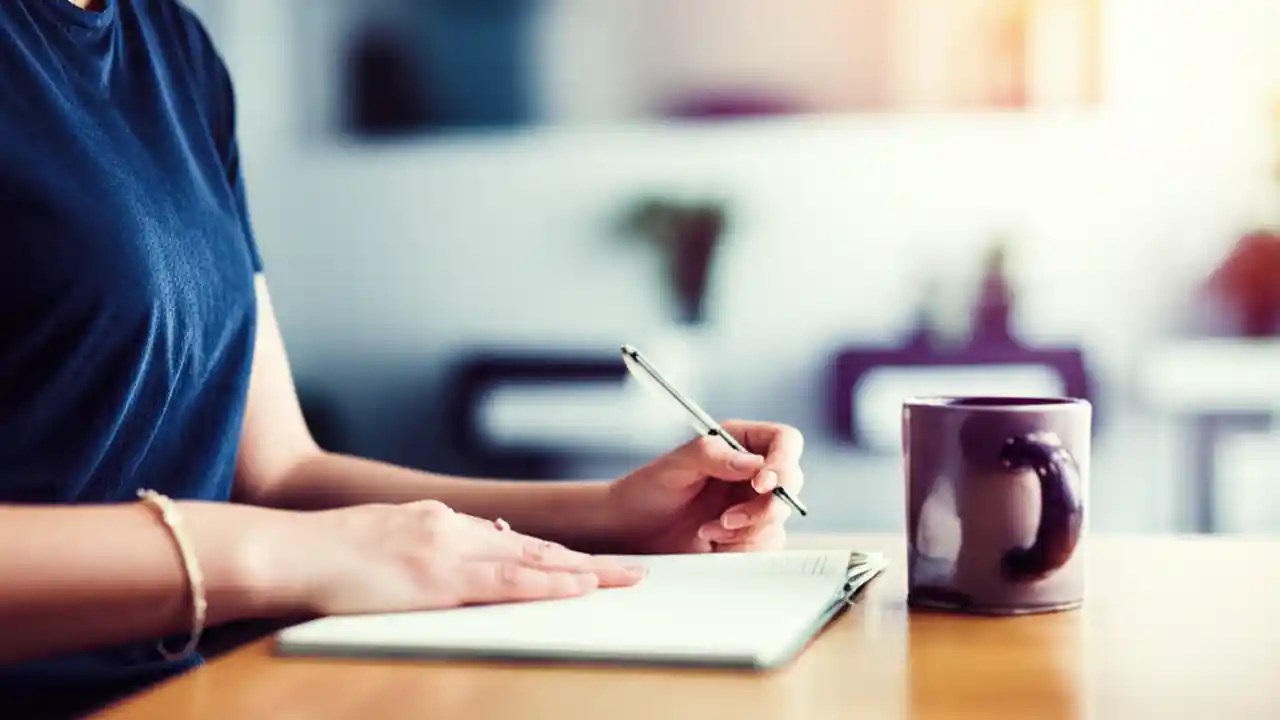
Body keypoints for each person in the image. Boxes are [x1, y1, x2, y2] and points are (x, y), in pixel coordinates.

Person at [0, 0, 806, 715]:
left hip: (196, 691)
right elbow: (281, 526)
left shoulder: (175, 50)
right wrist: (296, 558)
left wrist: (612, 516)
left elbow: (276, 475)